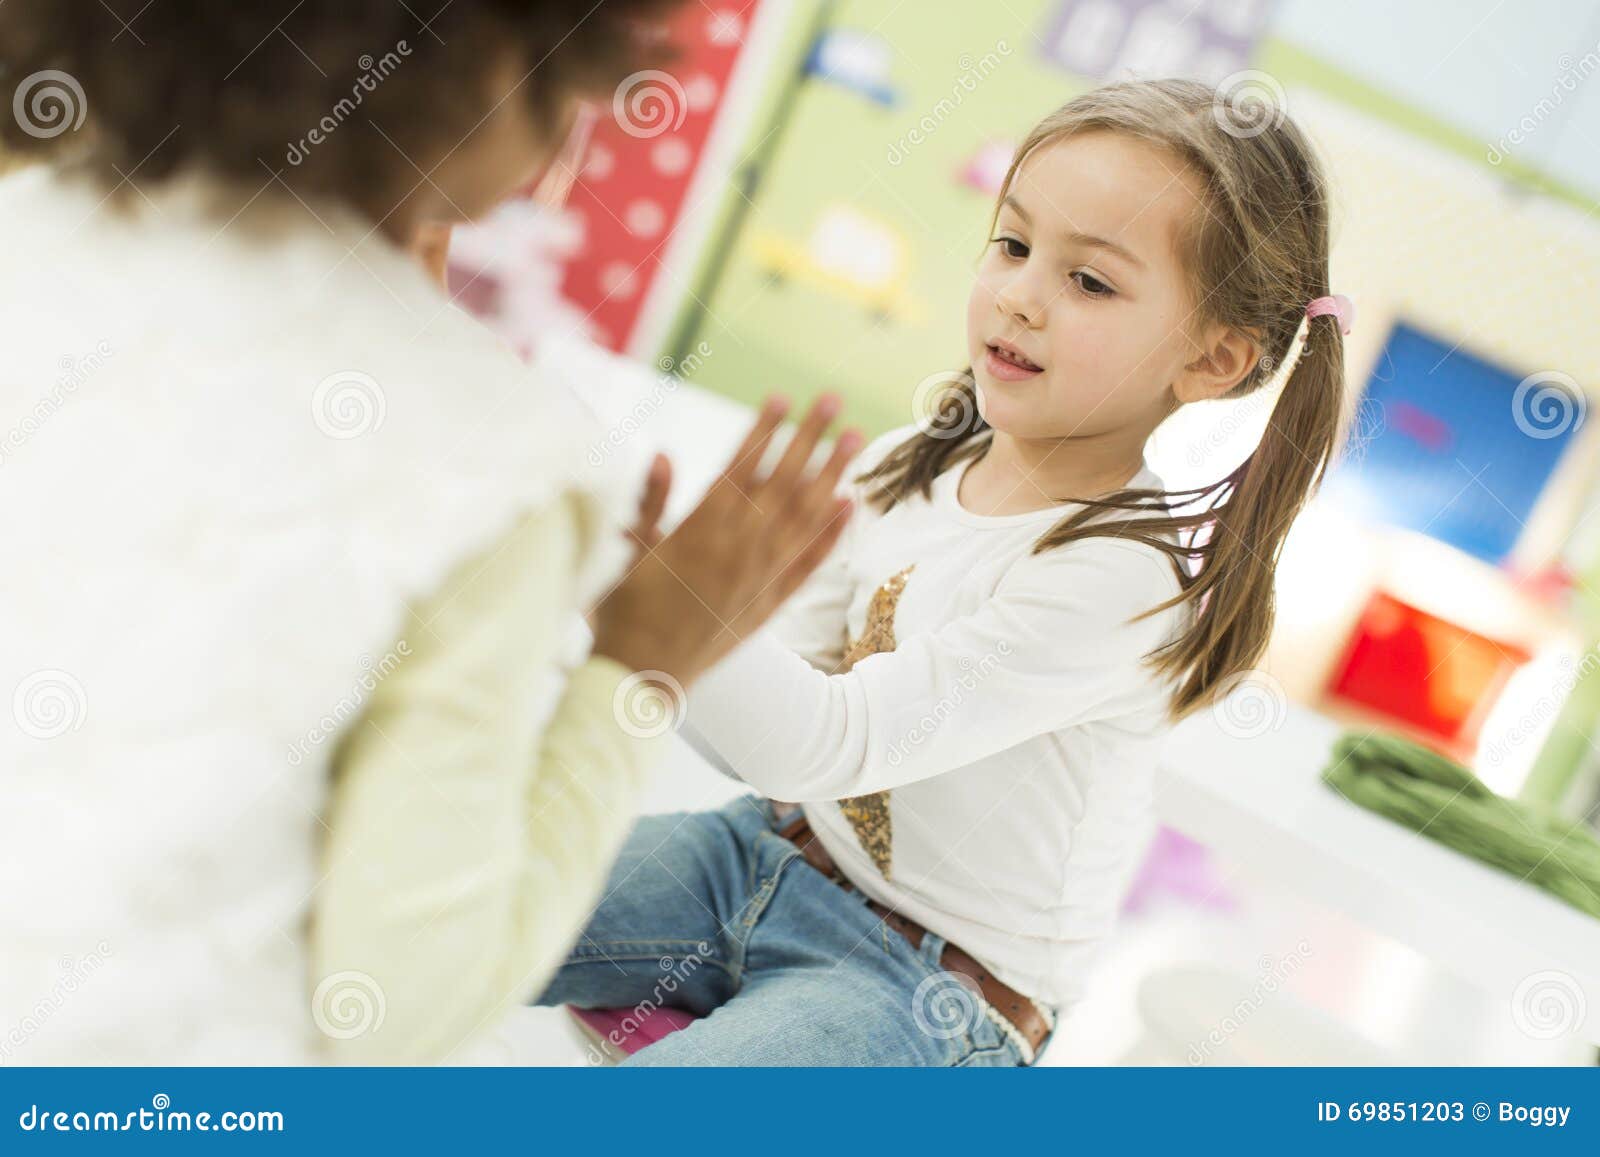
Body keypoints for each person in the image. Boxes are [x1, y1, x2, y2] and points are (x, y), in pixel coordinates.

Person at [0, 0, 859, 1063]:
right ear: (495, 66)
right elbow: (398, 998)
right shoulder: (496, 457)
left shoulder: (28, 226)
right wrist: (645, 661)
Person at [530, 78, 1355, 1065]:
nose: (1017, 293)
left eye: (1087, 281)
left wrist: (664, 599)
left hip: (929, 988)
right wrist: (649, 608)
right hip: (760, 852)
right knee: (431, 901)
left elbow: (823, 739)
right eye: (1012, 244)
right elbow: (766, 731)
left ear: (1214, 358)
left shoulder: (1123, 578)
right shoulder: (917, 454)